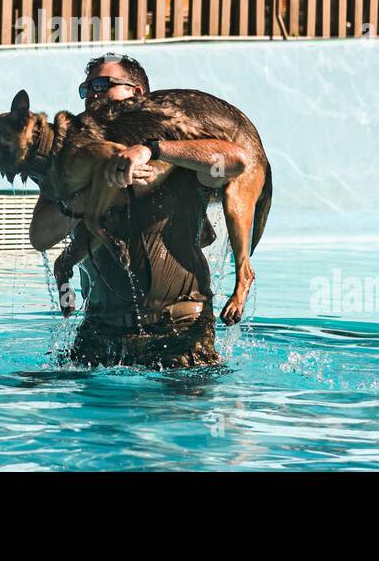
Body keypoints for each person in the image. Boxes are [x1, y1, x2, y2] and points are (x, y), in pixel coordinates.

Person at [28, 53, 252, 367]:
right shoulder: (72, 164)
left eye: (104, 84)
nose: (92, 93)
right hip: (98, 332)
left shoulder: (184, 154)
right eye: (86, 88)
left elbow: (237, 162)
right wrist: (92, 190)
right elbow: (40, 237)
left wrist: (155, 151)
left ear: (137, 93)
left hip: (180, 330)